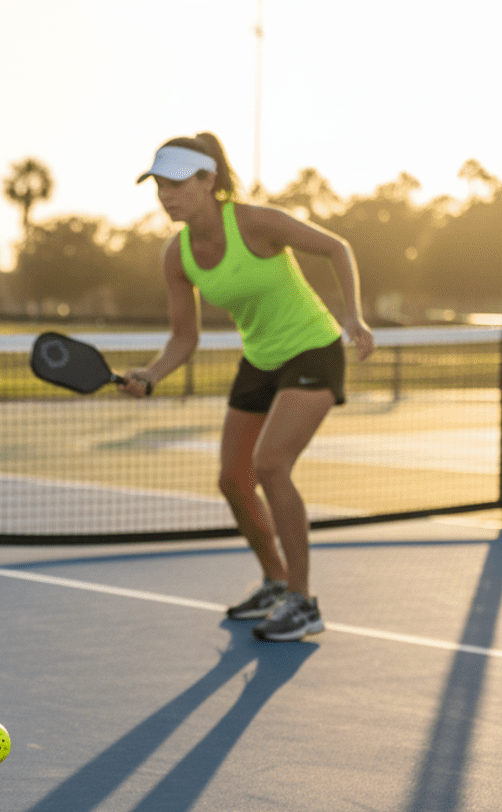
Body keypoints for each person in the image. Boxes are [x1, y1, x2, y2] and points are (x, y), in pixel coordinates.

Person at [122, 132, 375, 642]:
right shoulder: (177, 256)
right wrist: (152, 373)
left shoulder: (256, 223)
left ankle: (303, 602)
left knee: (270, 465)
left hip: (312, 349)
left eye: (176, 184)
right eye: (158, 187)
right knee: (233, 479)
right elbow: (183, 338)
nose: (166, 196)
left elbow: (336, 247)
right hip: (260, 360)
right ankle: (275, 581)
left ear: (207, 181)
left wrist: (354, 315)